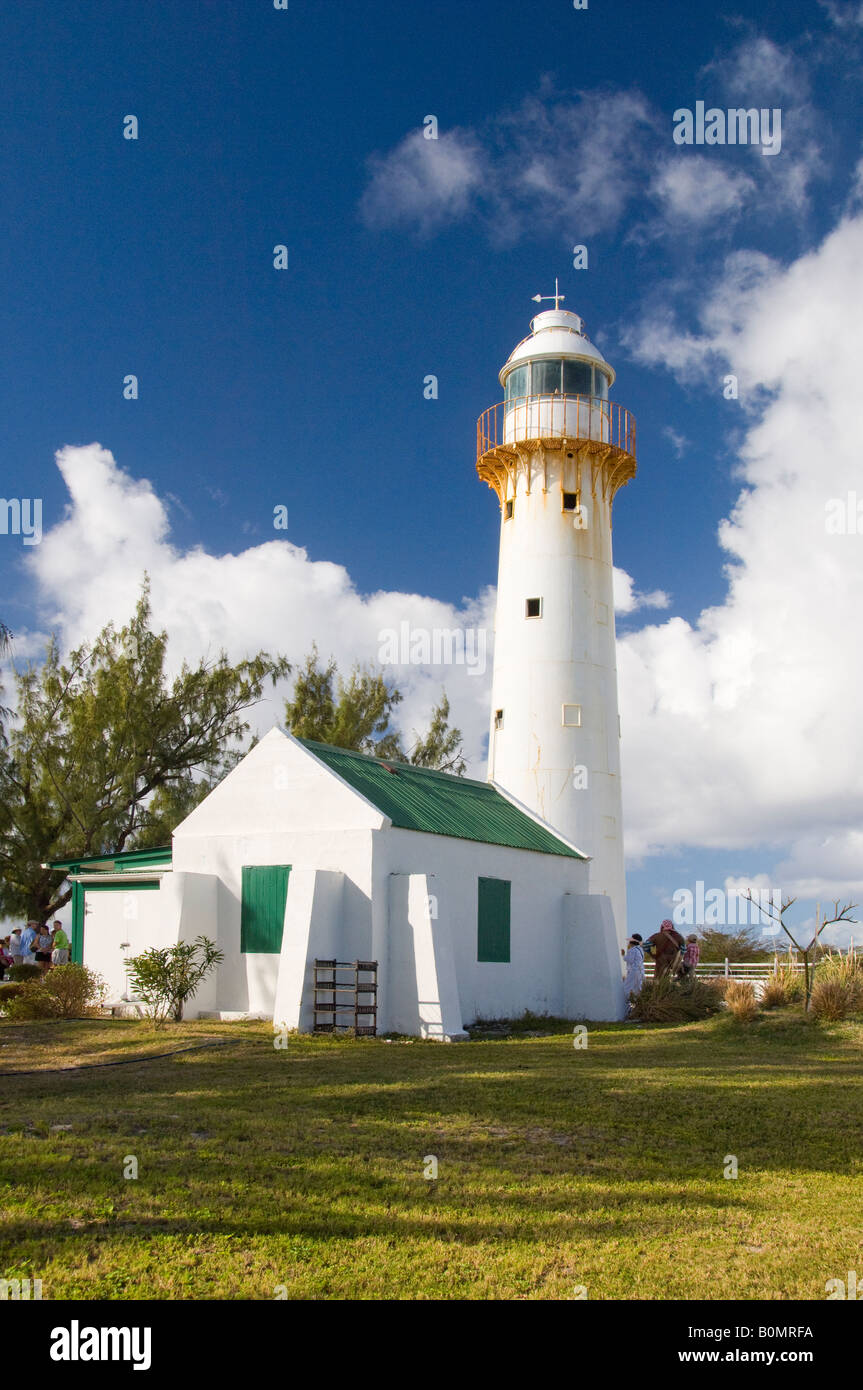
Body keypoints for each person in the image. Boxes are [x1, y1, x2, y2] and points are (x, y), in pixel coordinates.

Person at [622, 933, 645, 1001]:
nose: (629, 942)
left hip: (634, 971)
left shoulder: (632, 950)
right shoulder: (640, 949)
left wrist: (623, 955)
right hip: (641, 971)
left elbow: (630, 960)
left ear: (633, 942)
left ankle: (626, 1003)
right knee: (638, 989)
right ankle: (638, 1003)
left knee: (626, 987)